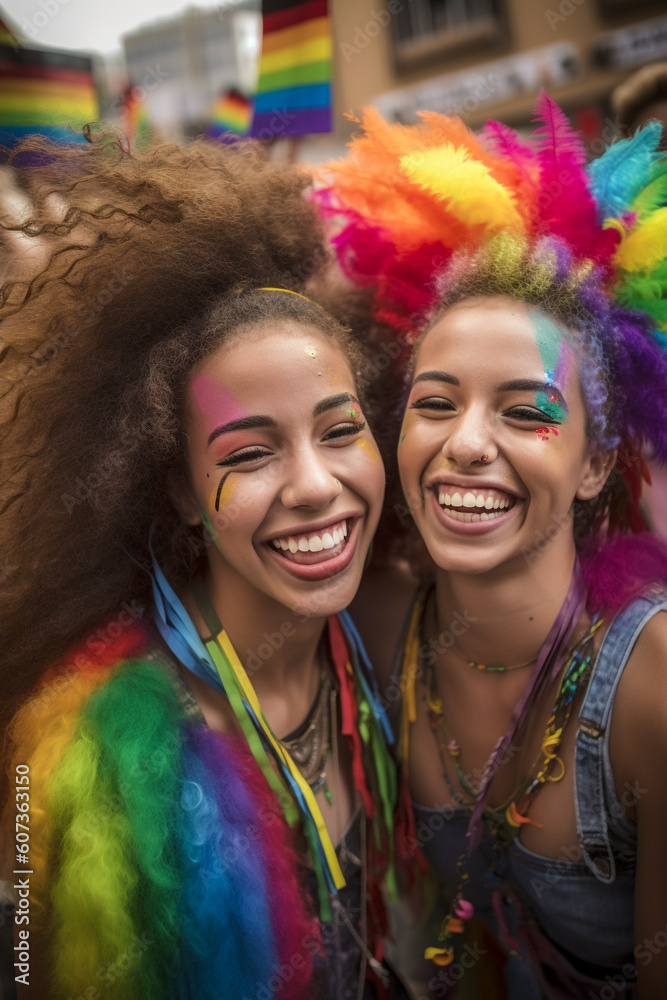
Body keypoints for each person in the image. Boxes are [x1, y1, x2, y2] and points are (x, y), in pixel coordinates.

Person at [0, 131, 410, 999]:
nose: (314, 485)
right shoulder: (107, 749)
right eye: (249, 453)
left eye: (340, 431)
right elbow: (33, 968)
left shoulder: (394, 626)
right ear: (182, 491)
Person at [317, 96, 667, 998]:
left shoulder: (650, 689)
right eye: (434, 403)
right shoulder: (368, 621)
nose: (467, 443)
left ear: (595, 464)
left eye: (525, 412)